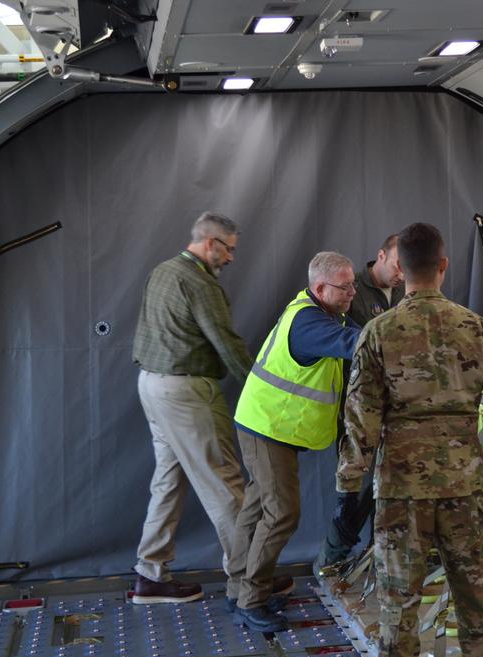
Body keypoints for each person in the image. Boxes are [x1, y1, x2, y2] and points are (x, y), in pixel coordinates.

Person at [343, 222, 483, 657]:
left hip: (401, 489)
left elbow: (361, 414)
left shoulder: (378, 331)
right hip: (466, 486)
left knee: (398, 609)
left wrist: (352, 481)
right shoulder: (478, 328)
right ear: (443, 266)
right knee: (477, 606)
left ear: (400, 269)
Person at [232, 251, 361, 632]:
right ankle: (251, 600)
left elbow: (355, 330)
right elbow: (356, 343)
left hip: (270, 425)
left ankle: (238, 588)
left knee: (256, 510)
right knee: (281, 512)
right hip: (268, 428)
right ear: (320, 288)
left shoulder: (321, 311)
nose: (354, 291)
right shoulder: (309, 323)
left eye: (354, 283)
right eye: (346, 286)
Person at [131, 211, 253, 606]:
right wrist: (258, 388)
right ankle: (249, 579)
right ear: (211, 243)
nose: (232, 258)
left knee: (169, 481)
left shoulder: (162, 271)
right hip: (186, 390)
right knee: (225, 485)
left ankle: (150, 574)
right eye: (229, 249)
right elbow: (227, 343)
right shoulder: (200, 282)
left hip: (152, 384)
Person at [314, 234, 405, 576]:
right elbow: (351, 341)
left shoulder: (403, 291)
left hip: (393, 405)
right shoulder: (351, 290)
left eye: (406, 268)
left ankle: (376, 555)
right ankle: (332, 557)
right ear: (380, 255)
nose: (400, 274)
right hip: (357, 405)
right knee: (357, 486)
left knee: (389, 485)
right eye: (396, 264)